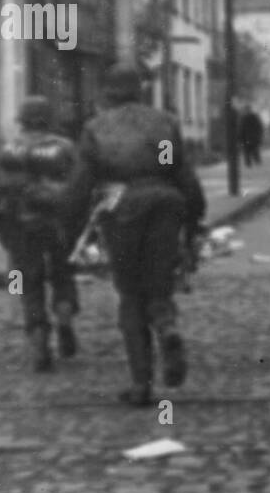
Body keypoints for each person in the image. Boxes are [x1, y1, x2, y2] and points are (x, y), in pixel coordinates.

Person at [79, 65, 207, 405]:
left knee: (131, 293)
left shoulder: (96, 129)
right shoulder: (163, 123)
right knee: (159, 284)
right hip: (165, 205)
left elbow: (83, 181)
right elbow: (178, 170)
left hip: (121, 210)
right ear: (140, 90)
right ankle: (166, 327)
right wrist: (194, 216)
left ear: (108, 94)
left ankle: (141, 384)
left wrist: (72, 228)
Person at [0, 96, 86, 373]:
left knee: (29, 284)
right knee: (63, 275)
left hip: (19, 227)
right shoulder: (65, 148)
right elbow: (81, 186)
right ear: (49, 121)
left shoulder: (7, 150)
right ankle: (65, 317)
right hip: (57, 226)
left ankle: (39, 338)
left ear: (22, 122)